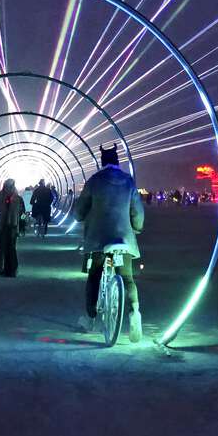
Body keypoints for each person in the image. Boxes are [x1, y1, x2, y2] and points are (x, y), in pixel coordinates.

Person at [74, 144, 145, 343]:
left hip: (98, 239)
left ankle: (90, 317)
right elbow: (137, 212)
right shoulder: (128, 182)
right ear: (118, 161)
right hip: (123, 240)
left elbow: (79, 211)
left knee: (95, 276)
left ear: (102, 161)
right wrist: (136, 228)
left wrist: (79, 215)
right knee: (128, 278)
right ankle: (134, 314)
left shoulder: (94, 181)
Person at [0, 179, 24, 277]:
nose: (8, 188)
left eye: (10, 186)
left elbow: (22, 214)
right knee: (1, 248)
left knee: (11, 248)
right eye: (7, 186)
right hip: (1, 227)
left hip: (13, 227)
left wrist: (22, 224)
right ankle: (2, 269)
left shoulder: (18, 199)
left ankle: (12, 269)